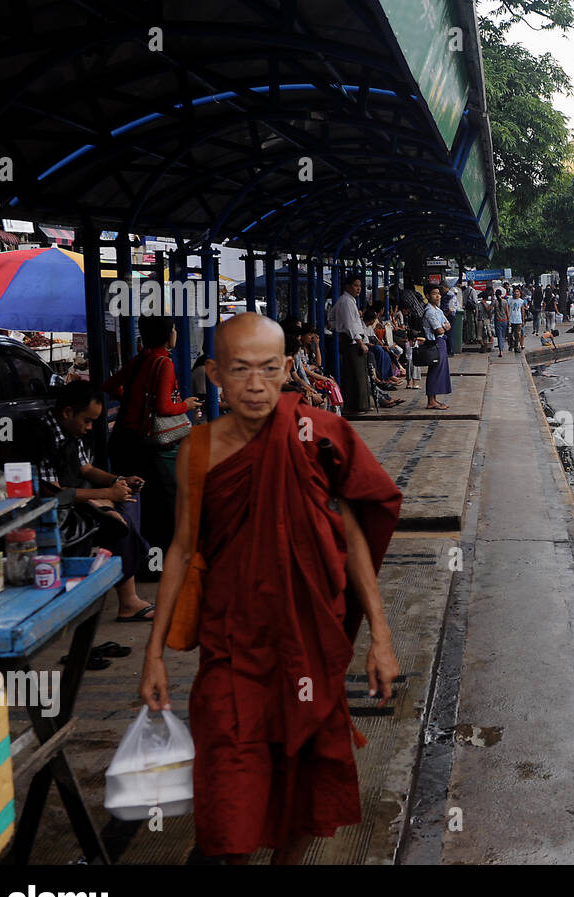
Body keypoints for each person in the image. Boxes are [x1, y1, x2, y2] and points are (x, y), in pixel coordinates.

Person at [138, 313, 402, 863]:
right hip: (233, 653)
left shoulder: (315, 435)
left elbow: (354, 536)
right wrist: (153, 653)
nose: (255, 386)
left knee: (307, 778)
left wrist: (380, 635)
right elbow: (182, 549)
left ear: (287, 369)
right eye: (239, 371)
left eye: (267, 370)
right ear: (214, 374)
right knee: (226, 814)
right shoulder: (200, 448)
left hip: (308, 644)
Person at [20, 381, 154, 623]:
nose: (90, 427)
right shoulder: (43, 437)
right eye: (87, 420)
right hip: (49, 511)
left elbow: (87, 469)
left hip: (71, 500)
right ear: (68, 412)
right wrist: (106, 495)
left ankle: (129, 582)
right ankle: (128, 602)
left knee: (130, 498)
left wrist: (119, 481)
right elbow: (54, 494)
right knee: (116, 523)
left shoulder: (71, 430)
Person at [103, 314, 203, 552]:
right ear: (168, 335)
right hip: (149, 443)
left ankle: (139, 550)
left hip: (124, 439)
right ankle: (162, 553)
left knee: (137, 500)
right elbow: (163, 408)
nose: (176, 333)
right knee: (165, 499)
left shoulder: (141, 359)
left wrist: (134, 401)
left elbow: (110, 385)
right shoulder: (163, 362)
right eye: (174, 329)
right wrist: (186, 405)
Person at [329, 276, 370, 415]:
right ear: (347, 286)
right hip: (352, 342)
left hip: (353, 340)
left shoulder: (348, 301)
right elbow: (349, 325)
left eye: (359, 285)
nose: (358, 288)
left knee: (357, 373)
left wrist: (336, 326)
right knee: (355, 375)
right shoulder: (345, 302)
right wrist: (360, 342)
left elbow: (332, 318)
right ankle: (356, 405)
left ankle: (359, 404)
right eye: (355, 285)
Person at [422, 285, 452, 411]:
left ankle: (434, 399)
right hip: (434, 343)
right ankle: (431, 401)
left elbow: (448, 325)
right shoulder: (429, 311)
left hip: (441, 342)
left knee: (440, 370)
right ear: (428, 296)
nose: (438, 296)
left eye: (439, 293)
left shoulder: (438, 310)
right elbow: (439, 329)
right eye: (434, 293)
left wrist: (443, 327)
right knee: (434, 370)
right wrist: (443, 327)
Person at [506, 286, 528, 353]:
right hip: (511, 320)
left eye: (517, 292)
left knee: (517, 335)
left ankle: (516, 347)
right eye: (515, 292)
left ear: (520, 293)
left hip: (518, 320)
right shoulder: (509, 300)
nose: (516, 293)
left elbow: (522, 311)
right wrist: (508, 319)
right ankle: (510, 345)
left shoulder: (521, 301)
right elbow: (507, 309)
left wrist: (523, 320)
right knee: (509, 335)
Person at [490, 290, 508, 357]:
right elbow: (507, 312)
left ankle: (501, 351)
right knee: (503, 336)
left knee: (499, 336)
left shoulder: (495, 302)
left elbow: (489, 309)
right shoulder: (505, 301)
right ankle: (502, 349)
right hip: (505, 320)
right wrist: (509, 320)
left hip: (498, 321)